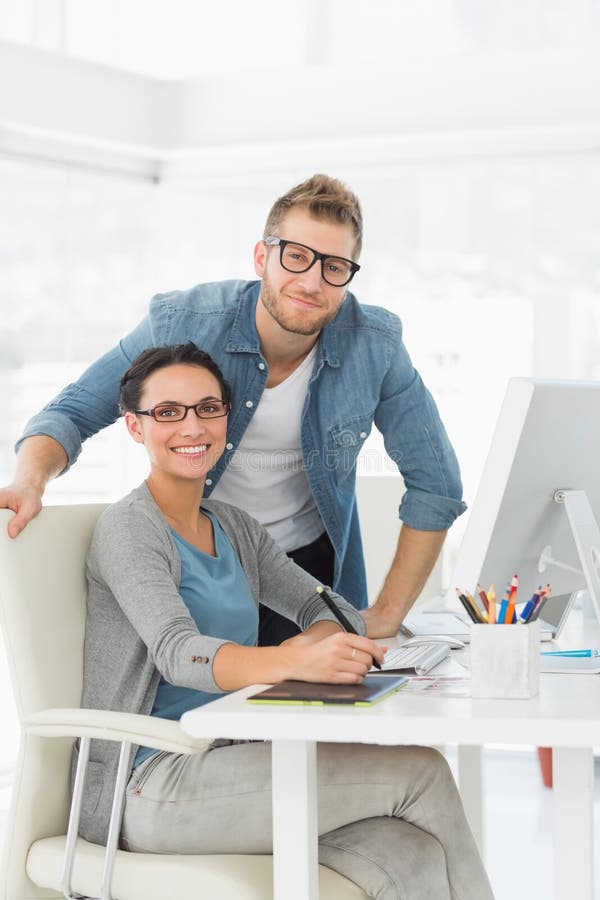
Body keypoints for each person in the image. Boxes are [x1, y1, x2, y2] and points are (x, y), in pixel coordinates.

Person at [80, 343, 493, 900]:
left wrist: (324, 642)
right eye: (168, 412)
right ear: (134, 427)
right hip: (154, 782)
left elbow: (332, 609)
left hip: (236, 763)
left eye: (208, 407)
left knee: (410, 853)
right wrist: (294, 660)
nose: (192, 426)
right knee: (421, 773)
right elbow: (177, 651)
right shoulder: (129, 529)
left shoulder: (234, 526)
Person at [1, 173, 466, 640]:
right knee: (203, 699)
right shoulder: (185, 321)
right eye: (297, 257)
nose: (311, 282)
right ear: (262, 257)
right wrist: (29, 479)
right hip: (199, 564)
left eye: (334, 267)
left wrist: (386, 613)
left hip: (307, 573)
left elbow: (437, 484)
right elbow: (73, 411)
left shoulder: (375, 345)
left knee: (315, 707)